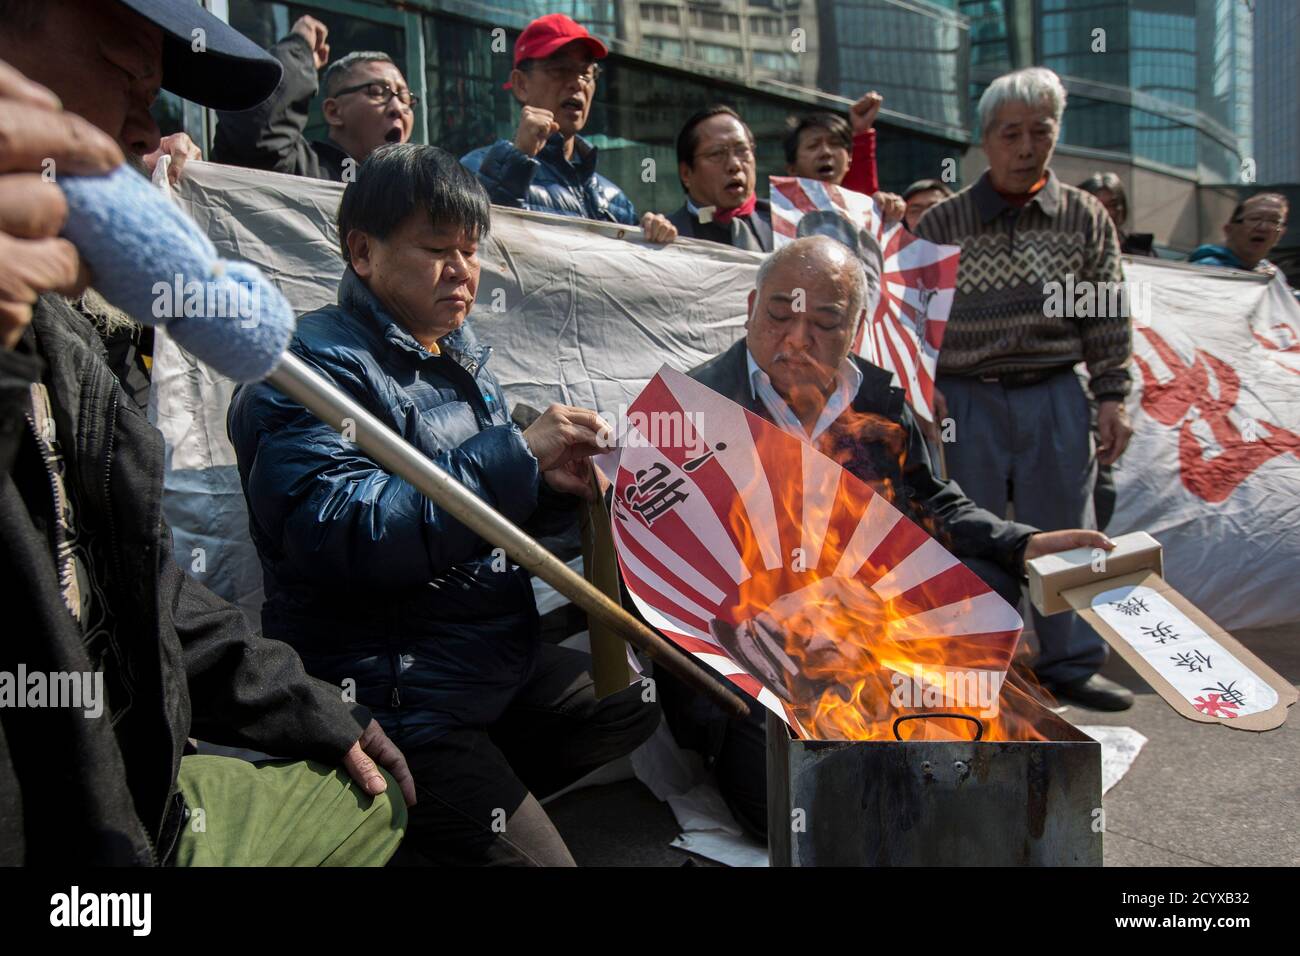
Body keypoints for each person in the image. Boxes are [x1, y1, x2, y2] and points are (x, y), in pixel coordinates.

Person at [0, 0, 412, 866]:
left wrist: (307, 704)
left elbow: (138, 582)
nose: (149, 132)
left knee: (368, 802)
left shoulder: (64, 339)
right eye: (122, 72)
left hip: (138, 795)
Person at [228, 144, 661, 866]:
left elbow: (488, 520)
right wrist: (518, 456)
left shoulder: (461, 360)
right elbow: (348, 533)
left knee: (630, 701)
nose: (461, 270)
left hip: (482, 665)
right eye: (437, 248)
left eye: (471, 250)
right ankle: (421, 805)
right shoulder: (301, 370)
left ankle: (447, 815)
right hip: (393, 692)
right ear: (362, 252)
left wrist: (554, 491)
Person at [654, 236, 1114, 838]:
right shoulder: (695, 406)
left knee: (992, 585)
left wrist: (1020, 542)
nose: (796, 339)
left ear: (858, 327)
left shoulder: (876, 399)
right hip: (760, 658)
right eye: (778, 315)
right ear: (749, 305)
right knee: (794, 819)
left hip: (871, 624)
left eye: (824, 322)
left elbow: (927, 497)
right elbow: (675, 574)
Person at [914, 67, 1134, 712]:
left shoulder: (1085, 217)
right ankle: (983, 665)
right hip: (964, 396)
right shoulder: (942, 223)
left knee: (1069, 528)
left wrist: (1114, 394)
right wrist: (925, 390)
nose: (1027, 146)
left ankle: (1070, 662)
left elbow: (1106, 312)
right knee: (973, 531)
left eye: (1041, 131)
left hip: (1055, 392)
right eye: (1011, 133)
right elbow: (907, 316)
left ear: (1056, 134)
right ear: (985, 139)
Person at [461, 14, 675, 242]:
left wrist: (653, 234)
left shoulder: (615, 200)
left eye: (587, 73)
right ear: (521, 84)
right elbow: (471, 243)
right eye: (560, 69)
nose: (577, 83)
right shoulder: (474, 170)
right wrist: (518, 157)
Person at [213, 15, 415, 181]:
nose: (397, 107)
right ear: (333, 112)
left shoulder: (417, 196)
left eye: (405, 98)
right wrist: (298, 49)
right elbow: (256, 129)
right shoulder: (301, 170)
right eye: (378, 91)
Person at [667, 105, 773, 251]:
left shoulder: (786, 221)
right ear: (686, 173)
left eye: (742, 150)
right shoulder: (666, 238)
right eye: (716, 154)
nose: (734, 165)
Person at [783, 100, 906, 222]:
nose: (826, 152)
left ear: (849, 161)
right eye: (813, 146)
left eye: (835, 144)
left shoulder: (868, 214)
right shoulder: (775, 218)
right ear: (792, 169)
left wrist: (886, 209)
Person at [1190, 192, 1291, 275]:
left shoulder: (1272, 273)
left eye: (1274, 221)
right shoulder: (1208, 269)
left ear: (1280, 234)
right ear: (1228, 230)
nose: (1263, 227)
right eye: (1255, 219)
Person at [1078, 172, 1155, 257]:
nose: (1104, 212)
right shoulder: (1069, 248)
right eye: (1095, 205)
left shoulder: (1140, 249)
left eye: (1111, 205)